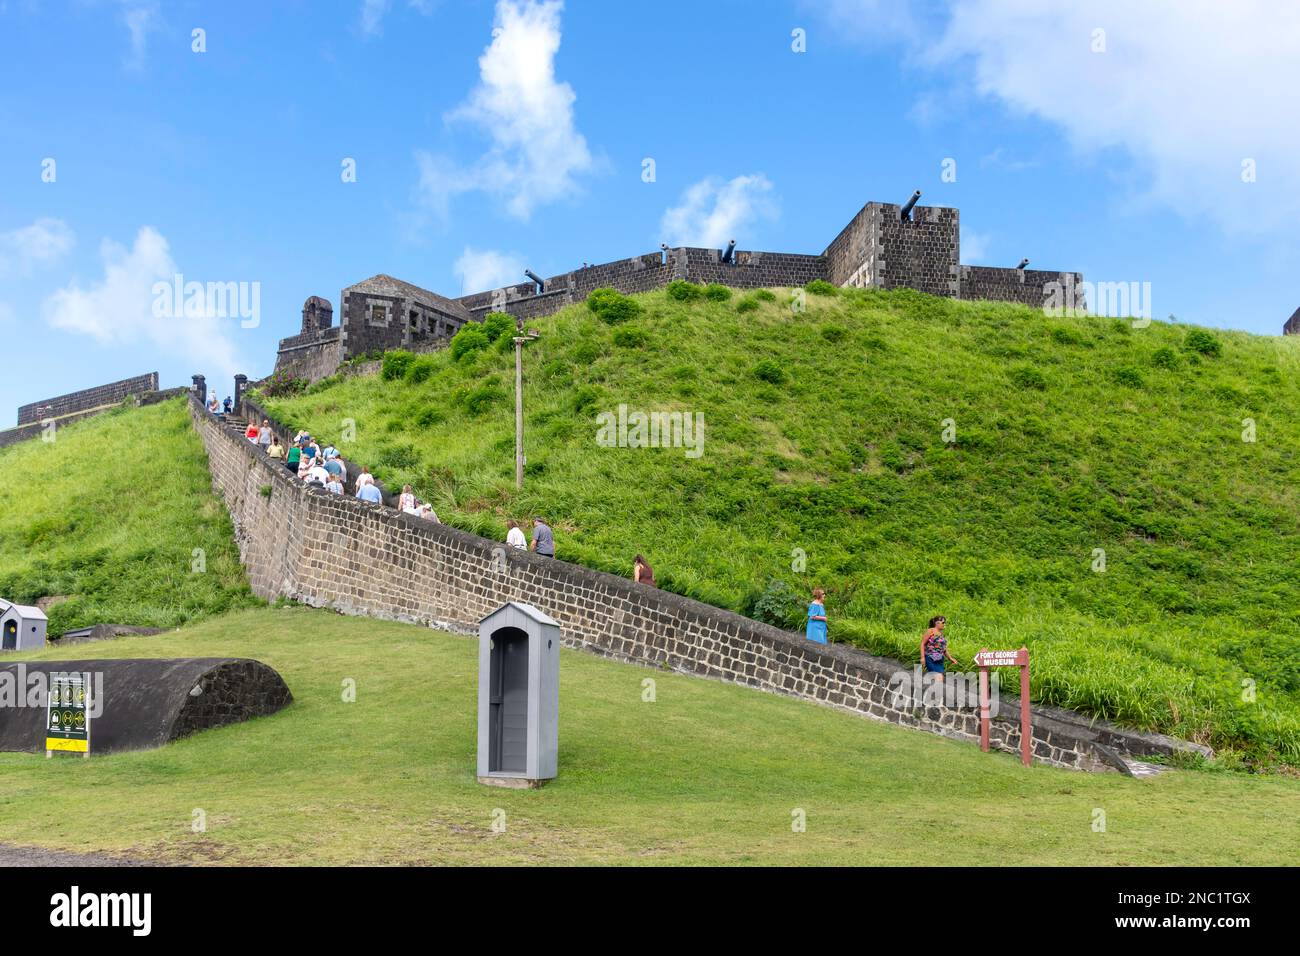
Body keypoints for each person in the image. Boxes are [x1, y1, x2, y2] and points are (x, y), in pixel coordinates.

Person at [921, 615, 958, 682]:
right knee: (938, 678)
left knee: (939, 679)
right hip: (930, 658)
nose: (944, 624)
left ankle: (930, 690)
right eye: (943, 622)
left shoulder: (941, 634)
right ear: (937, 623)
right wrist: (922, 657)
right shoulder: (930, 631)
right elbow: (922, 644)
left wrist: (950, 658)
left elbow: (944, 649)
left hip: (939, 660)